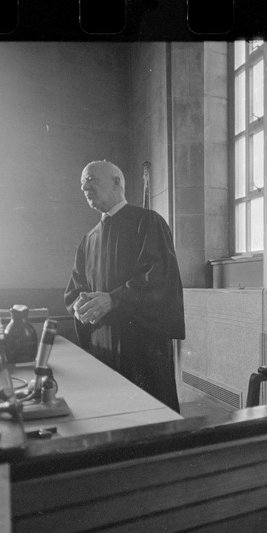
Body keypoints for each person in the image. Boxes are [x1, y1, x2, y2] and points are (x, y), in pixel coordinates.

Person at [64, 160, 185, 412]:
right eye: (82, 183)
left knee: (147, 417)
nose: (84, 186)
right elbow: (75, 288)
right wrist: (78, 305)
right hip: (102, 345)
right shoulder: (89, 239)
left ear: (117, 182)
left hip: (140, 343)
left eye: (91, 179)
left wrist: (114, 299)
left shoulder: (147, 221)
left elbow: (160, 277)